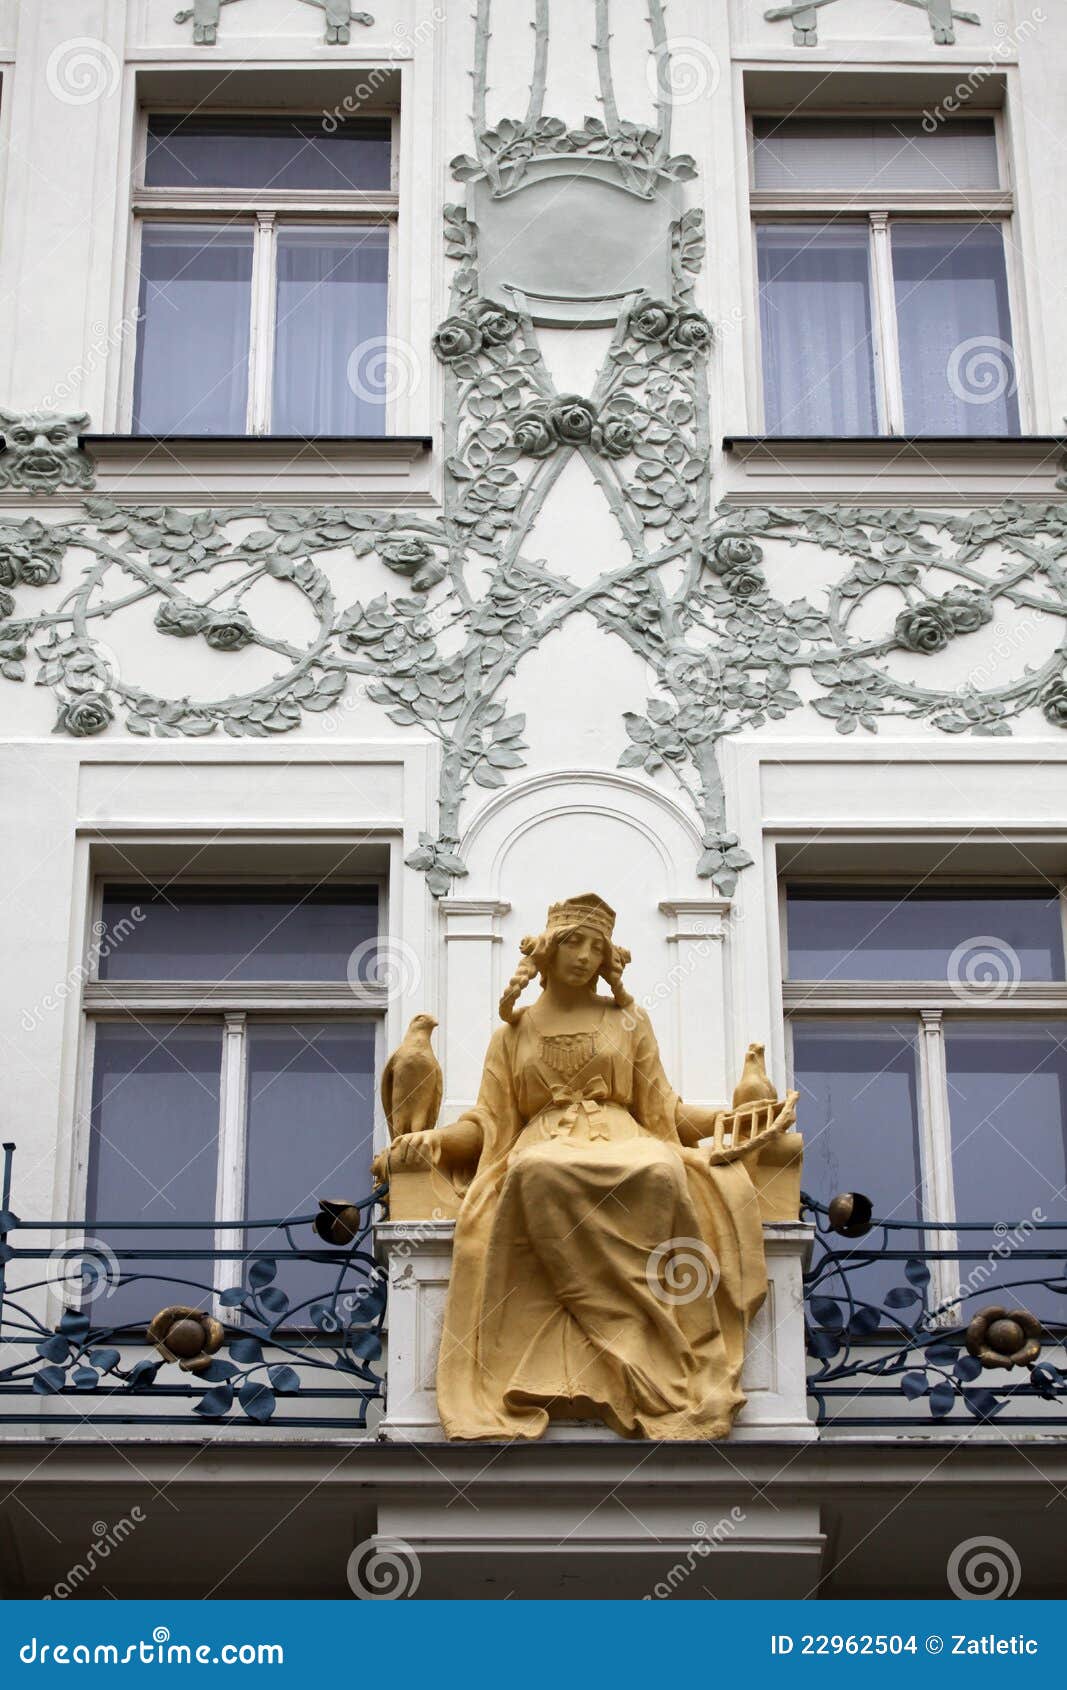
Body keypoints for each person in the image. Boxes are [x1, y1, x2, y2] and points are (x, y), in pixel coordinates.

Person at [381, 892, 796, 1441]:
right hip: (543, 1143)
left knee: (664, 1171)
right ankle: (619, 1333)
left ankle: (652, 1339)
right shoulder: (512, 1035)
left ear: (607, 958)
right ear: (548, 952)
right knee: (533, 1172)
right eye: (573, 942)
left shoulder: (629, 1021)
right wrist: (433, 1142)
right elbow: (488, 1122)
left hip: (625, 1138)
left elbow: (664, 1111)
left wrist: (736, 1121)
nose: (584, 955)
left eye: (596, 946)